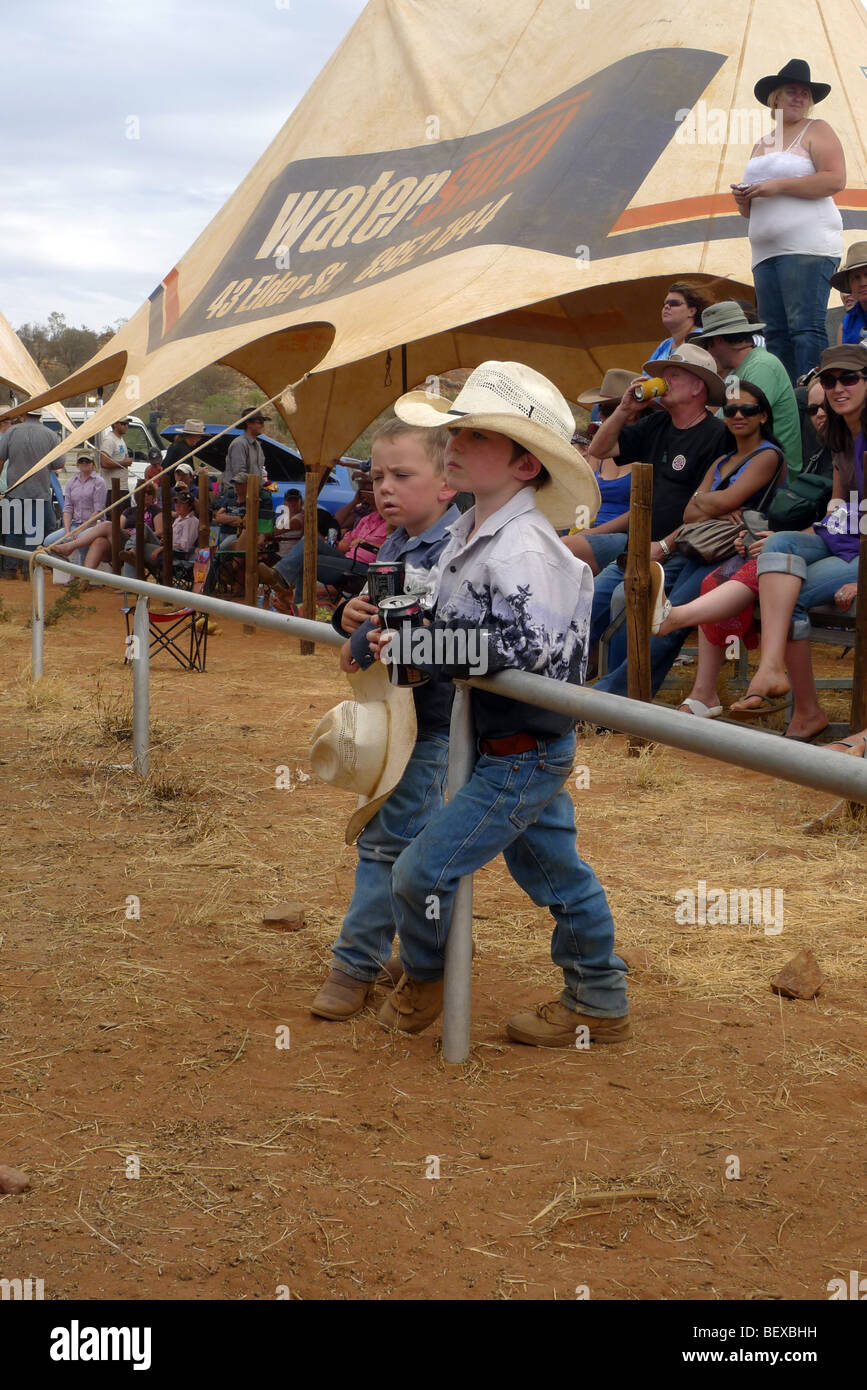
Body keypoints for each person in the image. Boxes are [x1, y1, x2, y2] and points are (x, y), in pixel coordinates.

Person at [365, 361, 629, 1045]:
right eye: (458, 430)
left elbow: (521, 650)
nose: (454, 443)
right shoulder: (472, 531)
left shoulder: (524, 548)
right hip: (500, 741)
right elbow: (439, 611)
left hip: (520, 746)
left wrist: (418, 647)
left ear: (521, 463)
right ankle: (597, 993)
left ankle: (426, 973)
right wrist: (386, 622)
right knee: (553, 870)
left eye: (475, 435)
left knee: (420, 869)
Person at [310, 419, 460, 1019]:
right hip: (400, 716)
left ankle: (355, 964)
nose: (384, 489)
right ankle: (431, 952)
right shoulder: (393, 546)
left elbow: (456, 646)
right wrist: (348, 619)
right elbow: (360, 653)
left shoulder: (461, 549)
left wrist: (411, 643)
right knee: (410, 844)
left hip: (438, 722)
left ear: (448, 481)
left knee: (386, 843)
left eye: (402, 475)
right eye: (377, 476)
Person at [656, 347, 867, 739]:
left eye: (849, 379)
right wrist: (799, 536)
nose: (837, 389)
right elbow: (839, 511)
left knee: (788, 586)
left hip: (860, 553)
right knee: (776, 547)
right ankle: (768, 671)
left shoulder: (772, 454)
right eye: (830, 381)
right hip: (841, 540)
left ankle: (802, 708)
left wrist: (861, 580)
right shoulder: (840, 437)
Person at [587, 345, 729, 694]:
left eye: (674, 375)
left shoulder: (716, 436)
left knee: (628, 602)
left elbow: (712, 509)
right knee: (591, 599)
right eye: (663, 374)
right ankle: (568, 681)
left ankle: (619, 698)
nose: (664, 381)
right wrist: (622, 409)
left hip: (683, 551)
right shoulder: (657, 423)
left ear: (698, 387)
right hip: (639, 547)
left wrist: (665, 546)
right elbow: (599, 449)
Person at [732, 58, 845, 383]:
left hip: (807, 247)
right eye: (791, 91)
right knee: (774, 334)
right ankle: (783, 405)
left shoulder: (817, 129)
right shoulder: (761, 143)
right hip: (764, 252)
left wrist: (776, 185)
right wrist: (744, 201)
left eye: (804, 93)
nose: (799, 97)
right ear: (775, 98)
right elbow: (754, 209)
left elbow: (835, 179)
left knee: (804, 328)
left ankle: (811, 404)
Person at [692, 300, 803, 472]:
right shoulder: (735, 373)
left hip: (774, 474)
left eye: (706, 344)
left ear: (717, 340)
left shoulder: (762, 366)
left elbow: (736, 424)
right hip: (747, 463)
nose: (707, 352)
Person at [259, 493, 387, 609]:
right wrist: (340, 542)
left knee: (306, 557)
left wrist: (367, 543)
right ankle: (284, 583)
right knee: (310, 541)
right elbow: (344, 545)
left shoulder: (394, 524)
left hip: (365, 567)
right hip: (347, 559)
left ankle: (296, 602)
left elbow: (393, 549)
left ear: (300, 503)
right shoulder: (367, 519)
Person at [566, 369, 635, 575]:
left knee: (564, 548)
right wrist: (578, 529)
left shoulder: (647, 450)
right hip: (588, 529)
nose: (604, 416)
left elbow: (639, 513)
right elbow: (583, 494)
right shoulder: (599, 450)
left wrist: (590, 533)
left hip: (623, 536)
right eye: (602, 410)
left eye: (610, 409)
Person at [0, 409, 58, 574]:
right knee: (35, 531)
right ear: (40, 416)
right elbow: (58, 464)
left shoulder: (11, 431)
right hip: (39, 492)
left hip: (14, 491)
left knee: (12, 531)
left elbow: (0, 459)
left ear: (23, 414)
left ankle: (10, 569)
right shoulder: (50, 435)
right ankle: (29, 569)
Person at [44, 454, 107, 554]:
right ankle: (63, 566)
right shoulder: (71, 482)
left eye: (87, 461)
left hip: (94, 526)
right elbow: (68, 509)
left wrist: (80, 530)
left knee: (80, 538)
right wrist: (67, 531)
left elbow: (98, 511)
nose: (84, 463)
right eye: (81, 461)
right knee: (48, 541)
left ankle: (79, 566)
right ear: (77, 464)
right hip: (74, 525)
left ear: (93, 464)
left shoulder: (99, 482)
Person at [647, 282, 711, 361]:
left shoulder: (702, 339)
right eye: (665, 304)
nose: (667, 306)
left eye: (674, 303)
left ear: (691, 311)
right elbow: (646, 372)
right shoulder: (665, 345)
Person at [832, 242, 867, 346]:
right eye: (856, 278)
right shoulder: (847, 322)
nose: (863, 283)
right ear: (849, 285)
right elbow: (841, 359)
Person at [223, 410, 269, 487]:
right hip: (237, 493)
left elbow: (259, 471)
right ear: (248, 423)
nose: (263, 425)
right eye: (260, 422)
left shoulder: (257, 445)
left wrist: (264, 485)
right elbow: (239, 475)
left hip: (251, 491)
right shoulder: (239, 444)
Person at [99, 419, 132, 490]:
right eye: (123, 424)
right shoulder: (109, 440)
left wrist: (127, 461)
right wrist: (124, 463)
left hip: (122, 487)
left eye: (127, 424)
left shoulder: (120, 439)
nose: (126, 426)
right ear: (115, 424)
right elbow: (104, 463)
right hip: (111, 488)